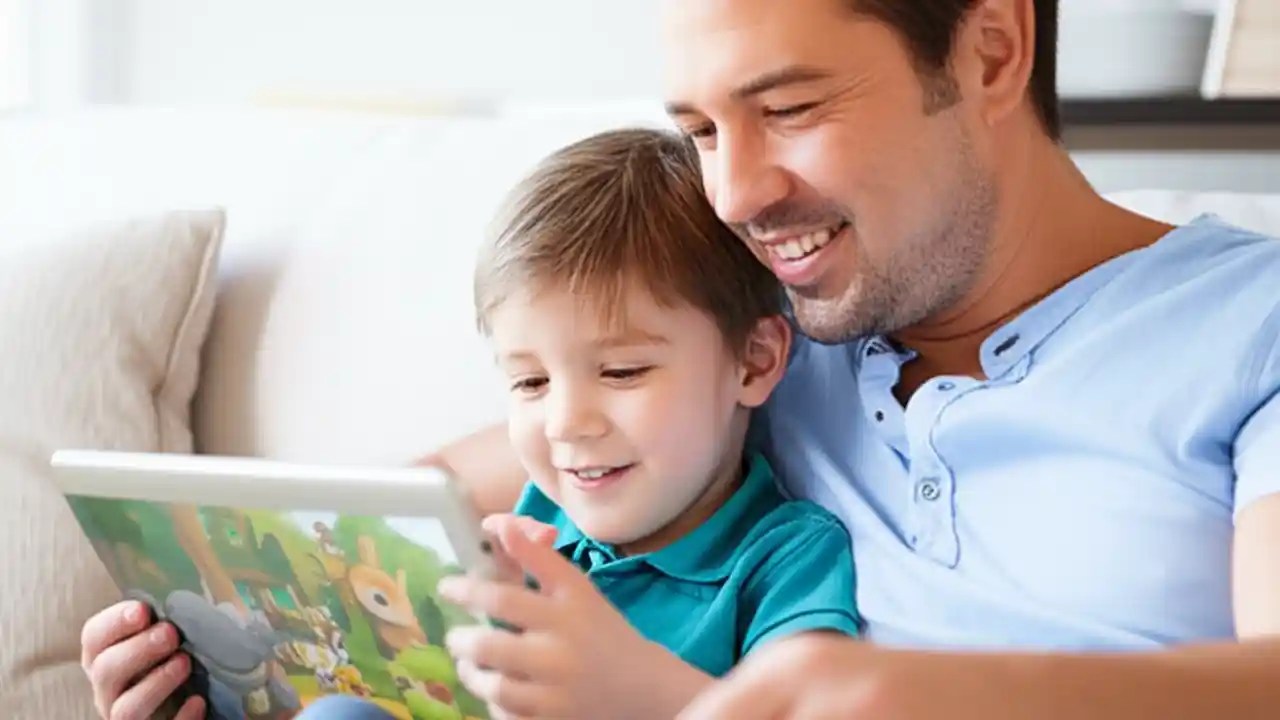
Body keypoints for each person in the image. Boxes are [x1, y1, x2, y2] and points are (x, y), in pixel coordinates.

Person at [79, 0, 1280, 717]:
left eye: (792, 107)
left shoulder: (1248, 324)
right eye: (700, 130)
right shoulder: (745, 341)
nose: (734, 192)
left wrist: (882, 699)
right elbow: (385, 526)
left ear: (990, 49)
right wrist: (228, 650)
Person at [78, 129, 862, 720]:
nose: (567, 423)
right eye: (528, 381)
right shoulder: (520, 532)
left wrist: (641, 689)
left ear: (755, 363)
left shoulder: (787, 557)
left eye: (622, 371)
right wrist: (203, 687)